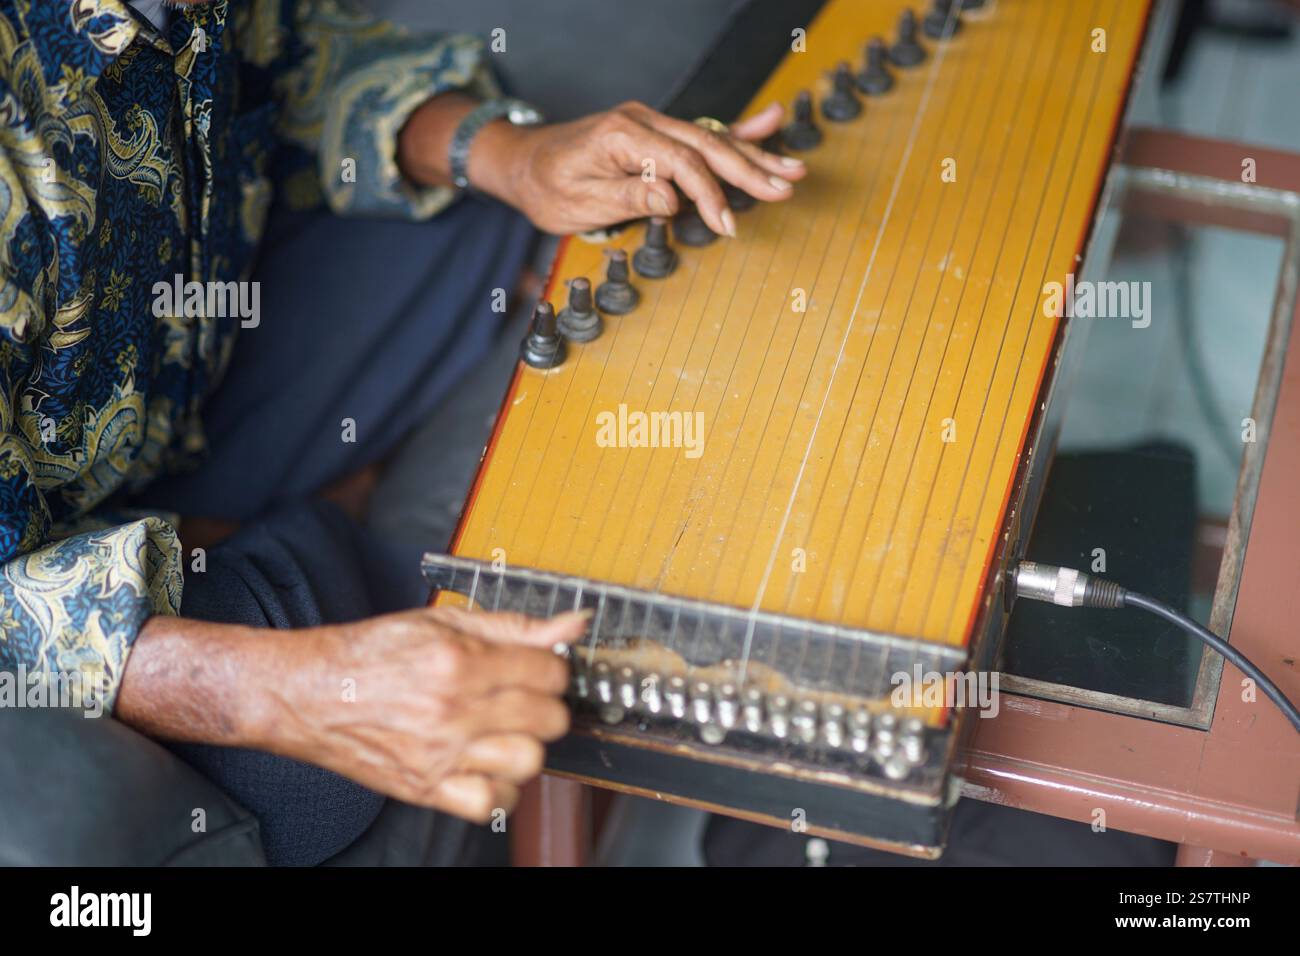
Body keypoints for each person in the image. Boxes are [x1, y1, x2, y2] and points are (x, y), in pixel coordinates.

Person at [0, 0, 804, 865]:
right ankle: (291, 528)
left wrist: (517, 157)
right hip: (39, 555)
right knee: (309, 783)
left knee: (496, 213)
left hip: (181, 383)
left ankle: (257, 533)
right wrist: (277, 690)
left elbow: (297, 56)